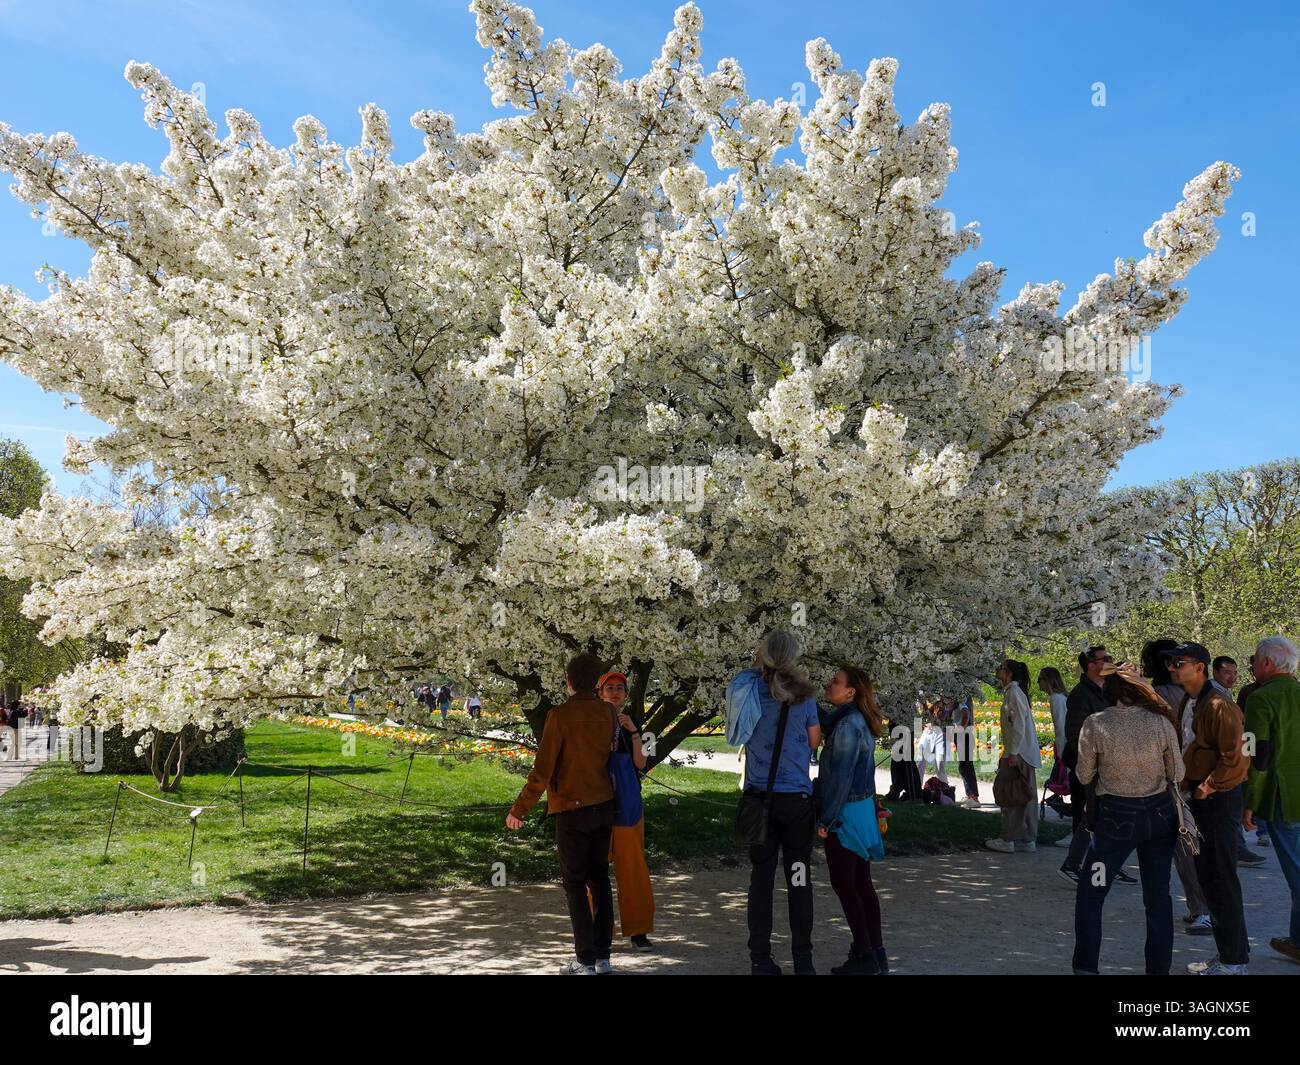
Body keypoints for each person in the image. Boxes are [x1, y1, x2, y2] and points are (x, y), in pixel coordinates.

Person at [506, 651, 620, 975]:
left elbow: (542, 770)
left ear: (568, 681)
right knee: (599, 880)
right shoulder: (608, 714)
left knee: (574, 884)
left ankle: (583, 959)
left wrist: (519, 809)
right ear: (598, 683)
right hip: (604, 805)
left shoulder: (559, 716)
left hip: (572, 810)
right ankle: (603, 957)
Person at [1072, 662, 1182, 975]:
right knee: (1158, 897)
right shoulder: (1160, 722)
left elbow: (1083, 774)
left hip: (1115, 821)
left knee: (1091, 893)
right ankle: (1158, 970)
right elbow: (1178, 772)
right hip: (1159, 818)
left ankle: (1086, 968)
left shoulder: (1096, 724)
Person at [729, 630, 821, 975]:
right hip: (796, 803)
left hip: (759, 802)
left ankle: (760, 959)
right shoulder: (806, 698)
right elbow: (814, 742)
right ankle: (803, 959)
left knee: (761, 883)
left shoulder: (749, 692)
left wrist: (759, 665)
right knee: (799, 880)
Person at [1165, 642, 1251, 975]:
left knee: (1220, 881)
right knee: (1210, 880)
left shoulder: (1218, 705)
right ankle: (1230, 956)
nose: (1173, 667)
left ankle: (1234, 962)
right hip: (1203, 801)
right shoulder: (1192, 701)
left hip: (1217, 802)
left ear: (1200, 666)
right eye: (1171, 662)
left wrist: (1206, 786)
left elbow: (1239, 758)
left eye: (1179, 662)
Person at [816, 665, 889, 975]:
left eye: (837, 681)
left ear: (851, 692)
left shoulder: (847, 726)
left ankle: (864, 955)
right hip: (861, 810)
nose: (830, 683)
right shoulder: (851, 720)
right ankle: (876, 952)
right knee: (861, 885)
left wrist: (826, 819)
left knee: (846, 884)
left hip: (845, 812)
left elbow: (840, 778)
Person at [1142, 638, 1209, 926]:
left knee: (1185, 846)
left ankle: (1201, 908)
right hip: (1206, 779)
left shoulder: (1156, 695)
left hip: (1177, 780)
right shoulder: (1212, 692)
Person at [1241, 636, 1300, 965]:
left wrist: (1250, 801)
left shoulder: (1260, 699)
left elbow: (1256, 754)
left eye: (1255, 661)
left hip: (1283, 798)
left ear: (1266, 663)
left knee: (1297, 872)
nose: (1252, 666)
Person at [594, 670, 655, 951]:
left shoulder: (635, 723)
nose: (615, 692)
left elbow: (641, 763)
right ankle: (597, 929)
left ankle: (638, 929)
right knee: (593, 871)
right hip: (597, 804)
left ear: (627, 695)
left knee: (633, 870)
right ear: (599, 692)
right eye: (610, 688)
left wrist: (633, 732)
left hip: (628, 806)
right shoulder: (592, 720)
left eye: (620, 688)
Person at [1060, 647, 1125, 881]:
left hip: (1105, 763)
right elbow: (1075, 734)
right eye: (1105, 659)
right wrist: (1093, 761)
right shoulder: (1081, 694)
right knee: (1090, 814)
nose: (1111, 661)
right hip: (1089, 765)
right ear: (1091, 665)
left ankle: (1103, 864)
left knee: (1102, 815)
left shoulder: (1106, 691)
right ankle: (1077, 864)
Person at [985, 659, 1041, 853]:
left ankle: (1008, 838)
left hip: (1019, 753)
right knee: (1025, 795)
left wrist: (1013, 753)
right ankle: (1027, 838)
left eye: (1001, 668)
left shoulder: (1014, 694)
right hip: (1023, 752)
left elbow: (1017, 725)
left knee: (1011, 794)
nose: (997, 670)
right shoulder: (1015, 693)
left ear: (1008, 673)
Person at [1235, 653, 1270, 849]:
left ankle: (1263, 828)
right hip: (1251, 744)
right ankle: (1262, 829)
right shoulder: (1247, 692)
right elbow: (1241, 722)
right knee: (1254, 785)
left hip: (1266, 747)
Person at [1039, 667, 1071, 822]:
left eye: (1040, 680)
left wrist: (1060, 750)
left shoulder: (1056, 698)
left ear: (1048, 681)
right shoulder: (1061, 697)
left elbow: (1060, 726)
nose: (1038, 684)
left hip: (1065, 745)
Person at [952, 695, 981, 806]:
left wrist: (960, 730)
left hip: (964, 733)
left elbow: (965, 714)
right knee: (963, 764)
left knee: (966, 765)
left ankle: (974, 797)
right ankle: (969, 794)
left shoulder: (961, 695)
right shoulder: (963, 693)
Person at [916, 694, 949, 785]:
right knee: (920, 762)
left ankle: (944, 790)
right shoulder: (933, 703)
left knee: (940, 766)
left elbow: (943, 720)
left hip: (941, 736)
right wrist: (925, 705)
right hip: (927, 734)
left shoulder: (950, 706)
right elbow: (926, 716)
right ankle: (917, 789)